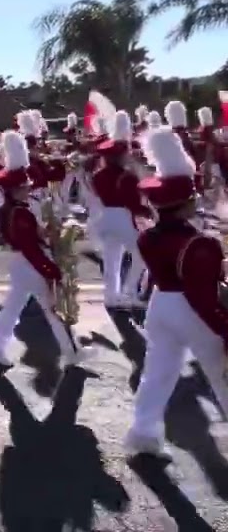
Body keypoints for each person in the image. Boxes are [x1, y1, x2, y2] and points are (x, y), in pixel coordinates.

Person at [126, 126, 228, 457]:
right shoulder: (200, 244)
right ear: (184, 204)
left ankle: (143, 434)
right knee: (221, 377)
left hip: (160, 306)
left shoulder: (147, 236)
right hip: (191, 310)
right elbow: (203, 298)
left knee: (157, 375)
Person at [0, 131, 91, 368]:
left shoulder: (9, 210)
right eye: (24, 187)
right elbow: (31, 247)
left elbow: (30, 237)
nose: (28, 189)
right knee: (54, 310)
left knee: (12, 311)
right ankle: (72, 352)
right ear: (13, 190)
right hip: (31, 265)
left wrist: (45, 231)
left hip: (21, 264)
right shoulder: (19, 212)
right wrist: (51, 269)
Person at [91, 111, 150, 309]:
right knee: (141, 255)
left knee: (111, 260)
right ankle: (130, 292)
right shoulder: (128, 176)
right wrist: (147, 211)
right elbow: (132, 203)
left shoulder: (98, 176)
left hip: (105, 216)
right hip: (123, 217)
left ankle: (111, 296)